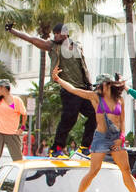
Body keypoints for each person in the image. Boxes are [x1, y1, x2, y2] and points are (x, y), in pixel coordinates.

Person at [51, 68, 136, 192]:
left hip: (116, 138)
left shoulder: (119, 99)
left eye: (100, 85)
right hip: (101, 137)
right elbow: (74, 90)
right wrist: (58, 79)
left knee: (125, 170)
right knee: (94, 170)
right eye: (97, 85)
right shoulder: (94, 97)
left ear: (108, 84)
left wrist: (122, 137)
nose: (98, 87)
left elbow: (122, 120)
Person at [7, 22, 95, 154]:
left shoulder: (77, 46)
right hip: (69, 89)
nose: (55, 36)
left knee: (95, 114)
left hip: (83, 89)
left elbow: (83, 67)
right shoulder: (53, 46)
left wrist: (89, 85)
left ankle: (85, 147)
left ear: (65, 34)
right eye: (54, 34)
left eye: (58, 33)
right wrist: (13, 31)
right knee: (69, 119)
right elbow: (31, 39)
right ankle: (56, 148)